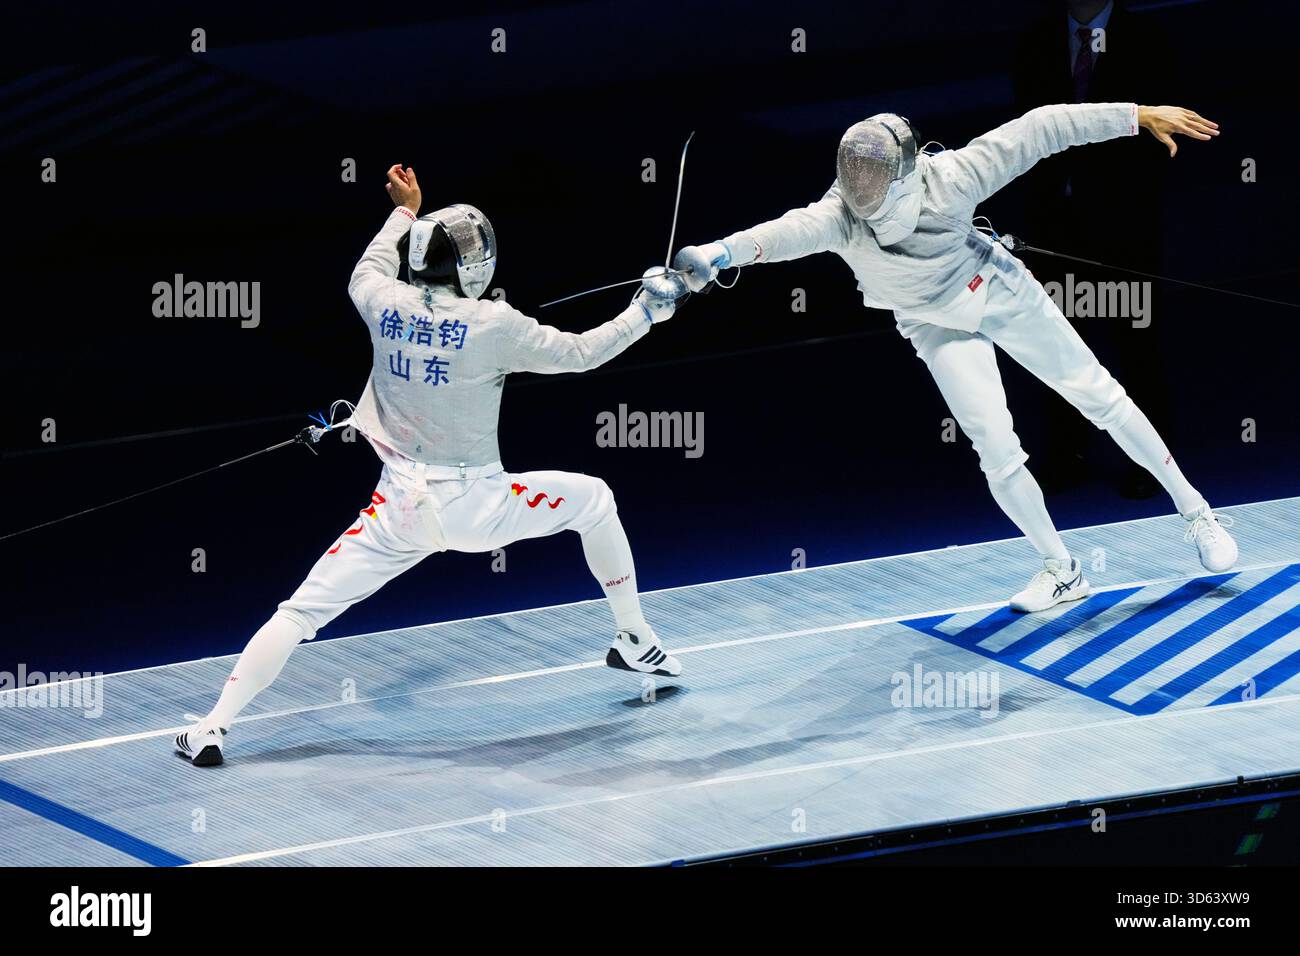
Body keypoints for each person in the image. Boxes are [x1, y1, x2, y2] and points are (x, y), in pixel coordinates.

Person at [177, 164, 685, 767]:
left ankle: (211, 727)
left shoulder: (381, 301)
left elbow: (366, 269)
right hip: (478, 509)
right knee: (595, 500)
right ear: (470, 268)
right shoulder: (493, 324)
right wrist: (648, 310)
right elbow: (581, 354)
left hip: (396, 512)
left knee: (300, 613)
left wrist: (405, 211)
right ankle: (633, 637)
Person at [673, 103, 1236, 615]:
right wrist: (716, 254)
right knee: (995, 447)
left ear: (909, 174)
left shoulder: (954, 176)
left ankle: (1198, 514)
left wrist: (1135, 115)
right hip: (930, 320)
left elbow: (1042, 128)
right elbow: (782, 233)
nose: (868, 212)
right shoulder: (840, 212)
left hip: (994, 288)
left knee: (1098, 395)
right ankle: (1062, 571)